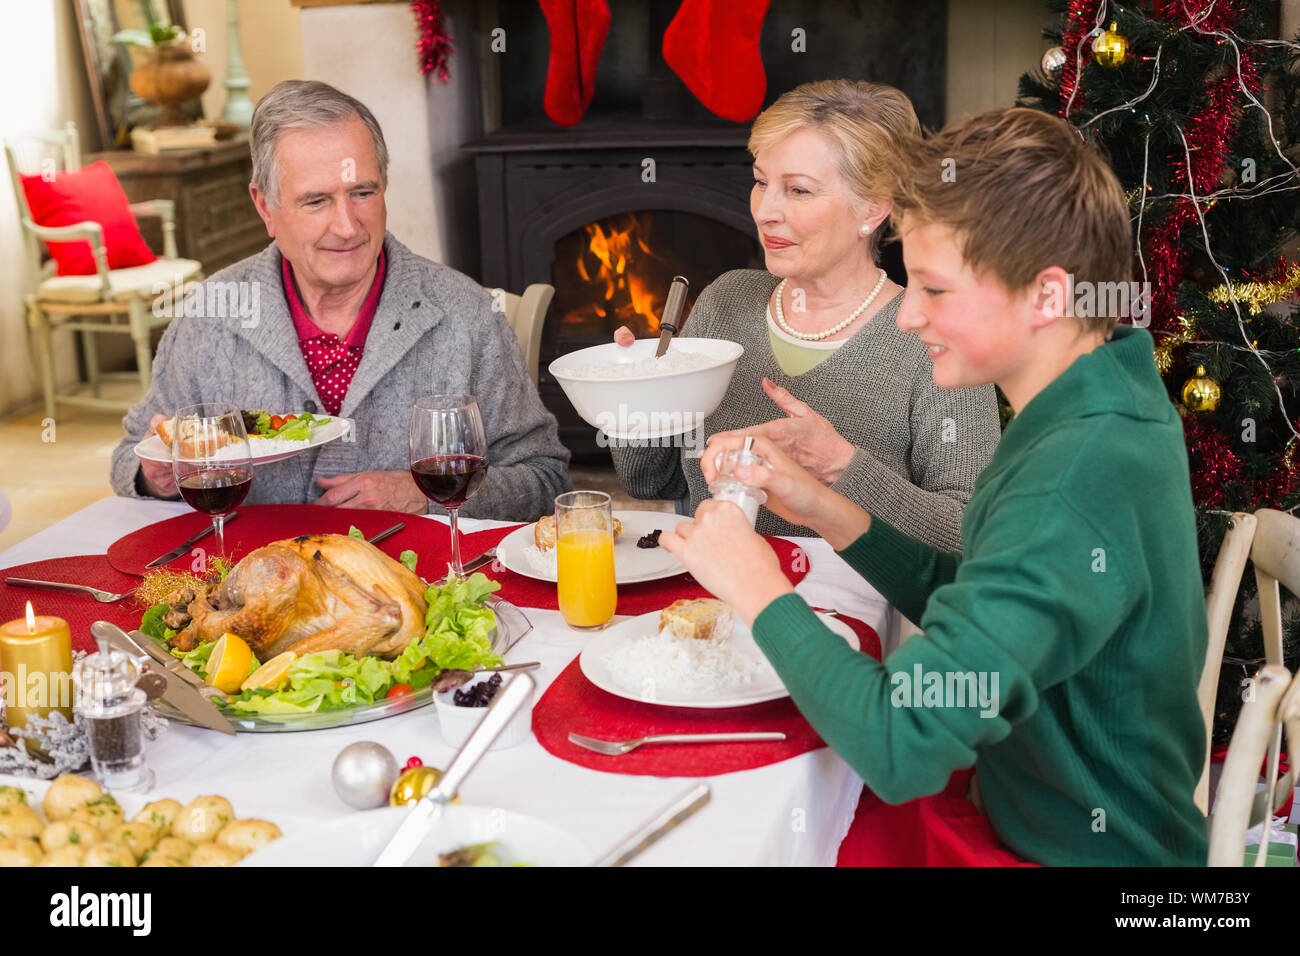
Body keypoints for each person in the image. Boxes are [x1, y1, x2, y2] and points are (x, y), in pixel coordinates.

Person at [659, 108, 1208, 866]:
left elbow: (901, 742)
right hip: (1025, 806)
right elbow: (978, 594)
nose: (909, 315)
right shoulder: (1096, 397)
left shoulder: (1072, 481)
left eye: (935, 289)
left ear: (1048, 296)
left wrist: (757, 589)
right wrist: (828, 506)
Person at [109, 80, 570, 521]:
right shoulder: (210, 315)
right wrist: (157, 478)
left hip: (415, 589)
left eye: (362, 192)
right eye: (316, 201)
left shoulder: (465, 315)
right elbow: (131, 454)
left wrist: (423, 493)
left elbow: (544, 478)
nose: (348, 226)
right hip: (248, 588)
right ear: (265, 207)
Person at [610, 80, 1000, 550]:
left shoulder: (937, 338)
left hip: (841, 616)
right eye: (760, 182)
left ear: (873, 208)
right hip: (709, 604)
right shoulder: (725, 302)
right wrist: (638, 398)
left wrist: (840, 465)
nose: (765, 210)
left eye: (797, 190)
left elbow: (970, 535)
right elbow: (658, 483)